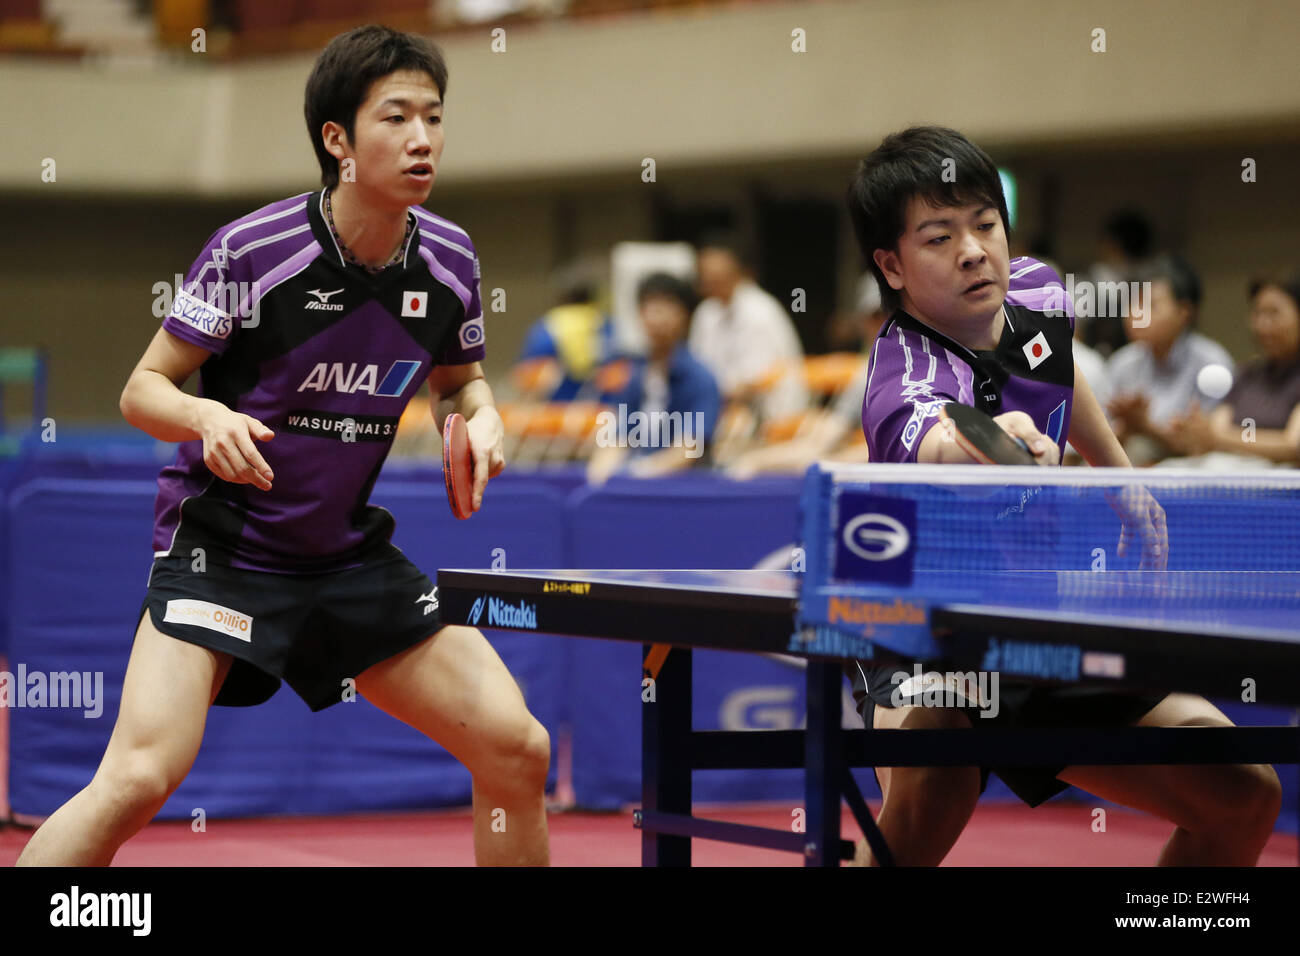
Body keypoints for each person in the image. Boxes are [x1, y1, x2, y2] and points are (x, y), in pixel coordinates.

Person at [16, 26, 550, 867]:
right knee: (139, 778)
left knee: (517, 748)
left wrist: (483, 419)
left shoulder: (450, 260)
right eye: (396, 117)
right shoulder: (254, 251)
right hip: (224, 553)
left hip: (346, 558)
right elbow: (142, 390)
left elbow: (461, 383)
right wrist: (206, 418)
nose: (422, 138)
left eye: (434, 117)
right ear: (338, 139)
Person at [843, 125, 1280, 867]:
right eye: (939, 237)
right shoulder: (901, 377)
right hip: (924, 630)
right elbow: (939, 439)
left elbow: (1059, 364)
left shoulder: (1038, 287)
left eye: (985, 223)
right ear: (891, 265)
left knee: (1241, 794)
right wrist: (994, 441)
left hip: (1037, 617)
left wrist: (1116, 474)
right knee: (931, 794)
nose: (974, 251)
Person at [727, 274, 884, 477]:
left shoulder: (923, 367)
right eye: (876, 316)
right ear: (863, 322)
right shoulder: (867, 375)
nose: (886, 323)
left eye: (894, 312)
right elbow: (819, 445)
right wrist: (755, 462)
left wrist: (837, 462)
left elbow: (900, 450)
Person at [587, 272, 720, 483]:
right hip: (635, 479)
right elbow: (618, 438)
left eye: (667, 306)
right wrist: (599, 477)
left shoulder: (701, 378)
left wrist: (641, 474)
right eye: (650, 307)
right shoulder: (633, 374)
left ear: (685, 316)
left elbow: (689, 448)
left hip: (679, 486)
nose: (657, 316)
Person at [1106, 255, 1235, 465]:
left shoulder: (1211, 364)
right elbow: (1103, 442)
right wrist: (1125, 427)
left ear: (1183, 312)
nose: (1136, 314)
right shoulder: (1122, 363)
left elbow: (1204, 447)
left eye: (1150, 305)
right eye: (1132, 303)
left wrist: (1145, 426)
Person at [1165, 271, 1300, 464]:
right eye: (1257, 313)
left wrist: (1219, 439)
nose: (1262, 325)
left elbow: (1292, 445)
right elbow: (1217, 427)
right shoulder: (1247, 374)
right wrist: (1195, 431)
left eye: (1273, 314)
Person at [688, 234, 809, 422]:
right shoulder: (706, 312)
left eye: (718, 274)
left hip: (772, 415)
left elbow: (755, 383)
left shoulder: (760, 310)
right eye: (705, 275)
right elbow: (697, 370)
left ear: (739, 271)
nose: (710, 279)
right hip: (722, 406)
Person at [513, 258, 616, 402]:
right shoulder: (607, 325)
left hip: (557, 410)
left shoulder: (545, 327)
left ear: (560, 296)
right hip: (602, 409)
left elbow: (526, 379)